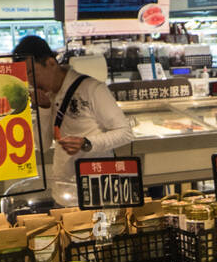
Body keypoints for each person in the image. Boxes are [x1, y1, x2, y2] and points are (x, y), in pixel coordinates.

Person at [13, 35, 133, 207]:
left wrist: (86, 143)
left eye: (31, 73)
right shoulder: (46, 95)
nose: (30, 81)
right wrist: (44, 108)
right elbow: (43, 145)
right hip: (63, 195)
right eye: (25, 76)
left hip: (98, 192)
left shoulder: (91, 88)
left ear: (51, 63)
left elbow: (125, 132)